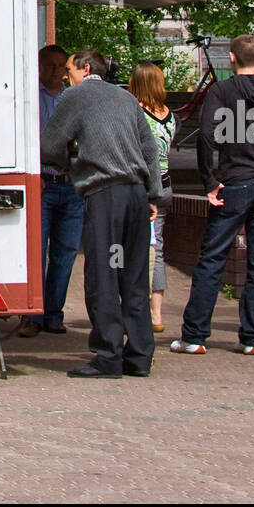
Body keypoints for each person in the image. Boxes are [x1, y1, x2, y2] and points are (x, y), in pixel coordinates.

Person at [171, 34, 254, 356]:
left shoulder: (222, 91)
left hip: (235, 184)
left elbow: (206, 137)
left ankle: (195, 336)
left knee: (213, 258)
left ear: (231, 58)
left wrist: (210, 181)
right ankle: (252, 339)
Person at [42, 49, 161, 379]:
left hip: (104, 195)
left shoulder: (74, 96)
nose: (66, 75)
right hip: (137, 195)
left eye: (70, 69)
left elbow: (49, 145)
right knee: (134, 277)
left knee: (104, 274)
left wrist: (72, 162)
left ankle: (108, 356)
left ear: (86, 67)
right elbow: (149, 149)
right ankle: (139, 357)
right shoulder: (125, 98)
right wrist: (152, 194)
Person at [22, 44, 83, 338]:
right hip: (42, 185)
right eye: (51, 66)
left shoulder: (73, 99)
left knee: (65, 253)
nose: (57, 71)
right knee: (35, 251)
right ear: (39, 66)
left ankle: (54, 314)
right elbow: (24, 137)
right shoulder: (29, 97)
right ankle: (31, 316)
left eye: (62, 66)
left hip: (70, 186)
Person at [128, 61, 176, 334]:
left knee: (136, 248)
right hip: (166, 186)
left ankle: (137, 308)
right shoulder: (171, 117)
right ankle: (157, 312)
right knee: (157, 248)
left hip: (143, 189)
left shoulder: (136, 114)